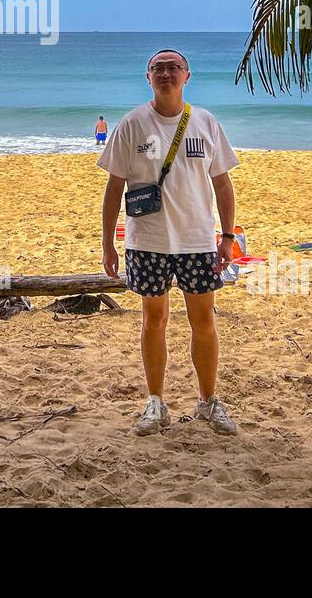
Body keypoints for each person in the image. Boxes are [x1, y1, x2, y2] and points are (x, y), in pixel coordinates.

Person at [97, 49, 240, 438]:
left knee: (204, 323)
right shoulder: (131, 124)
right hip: (147, 241)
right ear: (148, 77)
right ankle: (155, 402)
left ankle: (208, 401)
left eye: (173, 67)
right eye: (157, 68)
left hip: (197, 241)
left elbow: (223, 183)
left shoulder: (206, 123)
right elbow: (113, 189)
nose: (166, 73)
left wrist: (227, 237)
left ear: (187, 76)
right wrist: (109, 244)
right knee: (153, 321)